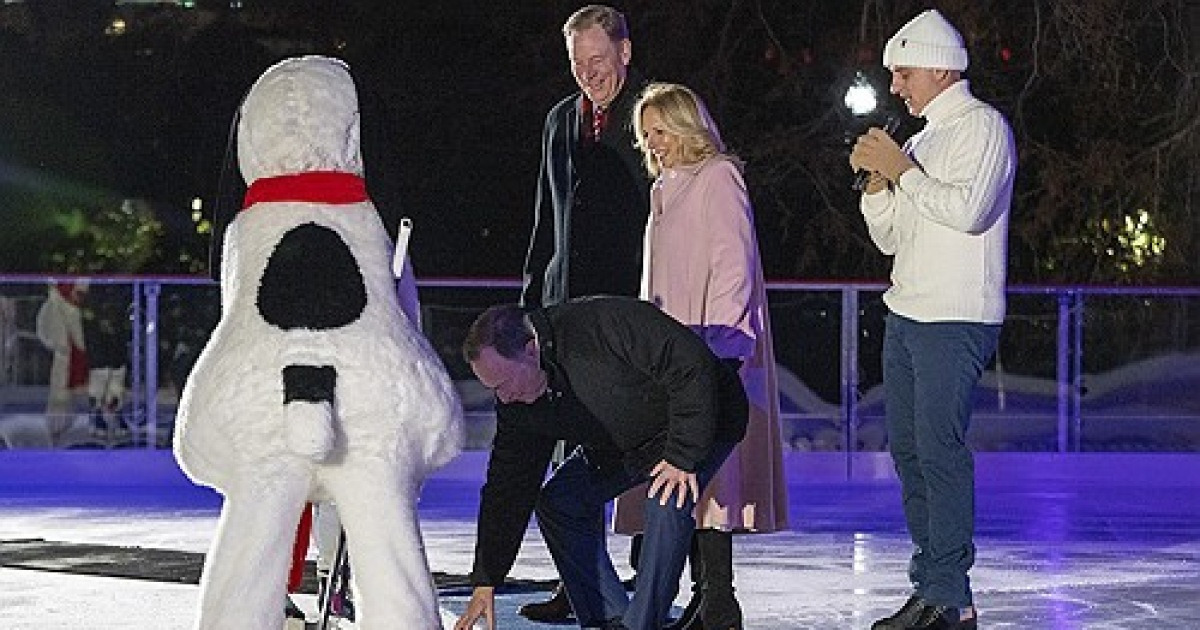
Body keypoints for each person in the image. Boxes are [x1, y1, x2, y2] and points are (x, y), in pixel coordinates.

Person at [848, 9, 1016, 630]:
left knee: (939, 451)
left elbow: (970, 212)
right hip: (907, 311)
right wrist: (876, 189)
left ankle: (949, 592)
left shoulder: (982, 128)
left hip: (955, 316)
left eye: (904, 72)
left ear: (941, 68)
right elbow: (892, 238)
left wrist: (904, 173)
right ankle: (936, 588)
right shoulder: (916, 141)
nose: (896, 86)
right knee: (911, 453)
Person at [452, 298, 748, 630]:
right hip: (626, 438)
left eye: (503, 384)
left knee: (666, 500)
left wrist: (683, 455)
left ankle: (640, 626)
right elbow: (508, 487)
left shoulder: (598, 325)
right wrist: (487, 578)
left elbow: (691, 365)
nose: (502, 399)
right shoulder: (518, 404)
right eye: (493, 391)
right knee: (560, 501)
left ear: (531, 349)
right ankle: (610, 619)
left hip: (702, 417)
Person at [610, 83, 789, 630]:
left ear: (686, 126)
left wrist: (726, 346)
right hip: (669, 351)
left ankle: (718, 596)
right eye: (647, 135)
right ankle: (705, 597)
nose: (653, 144)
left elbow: (732, 263)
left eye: (660, 131)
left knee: (710, 472)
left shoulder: (717, 177)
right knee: (680, 475)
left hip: (709, 345)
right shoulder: (664, 187)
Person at [518, 5, 652, 621]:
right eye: (578, 63)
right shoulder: (555, 121)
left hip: (629, 311)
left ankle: (652, 577)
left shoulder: (653, 115)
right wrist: (531, 308)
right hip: (563, 313)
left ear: (624, 52)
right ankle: (578, 583)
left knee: (634, 441)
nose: (588, 74)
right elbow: (546, 220)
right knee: (567, 450)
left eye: (597, 60)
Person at [36, 280, 89, 446]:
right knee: (60, 398)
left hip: (83, 359)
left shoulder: (77, 308)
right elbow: (46, 331)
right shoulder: (57, 305)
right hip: (65, 361)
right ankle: (56, 436)